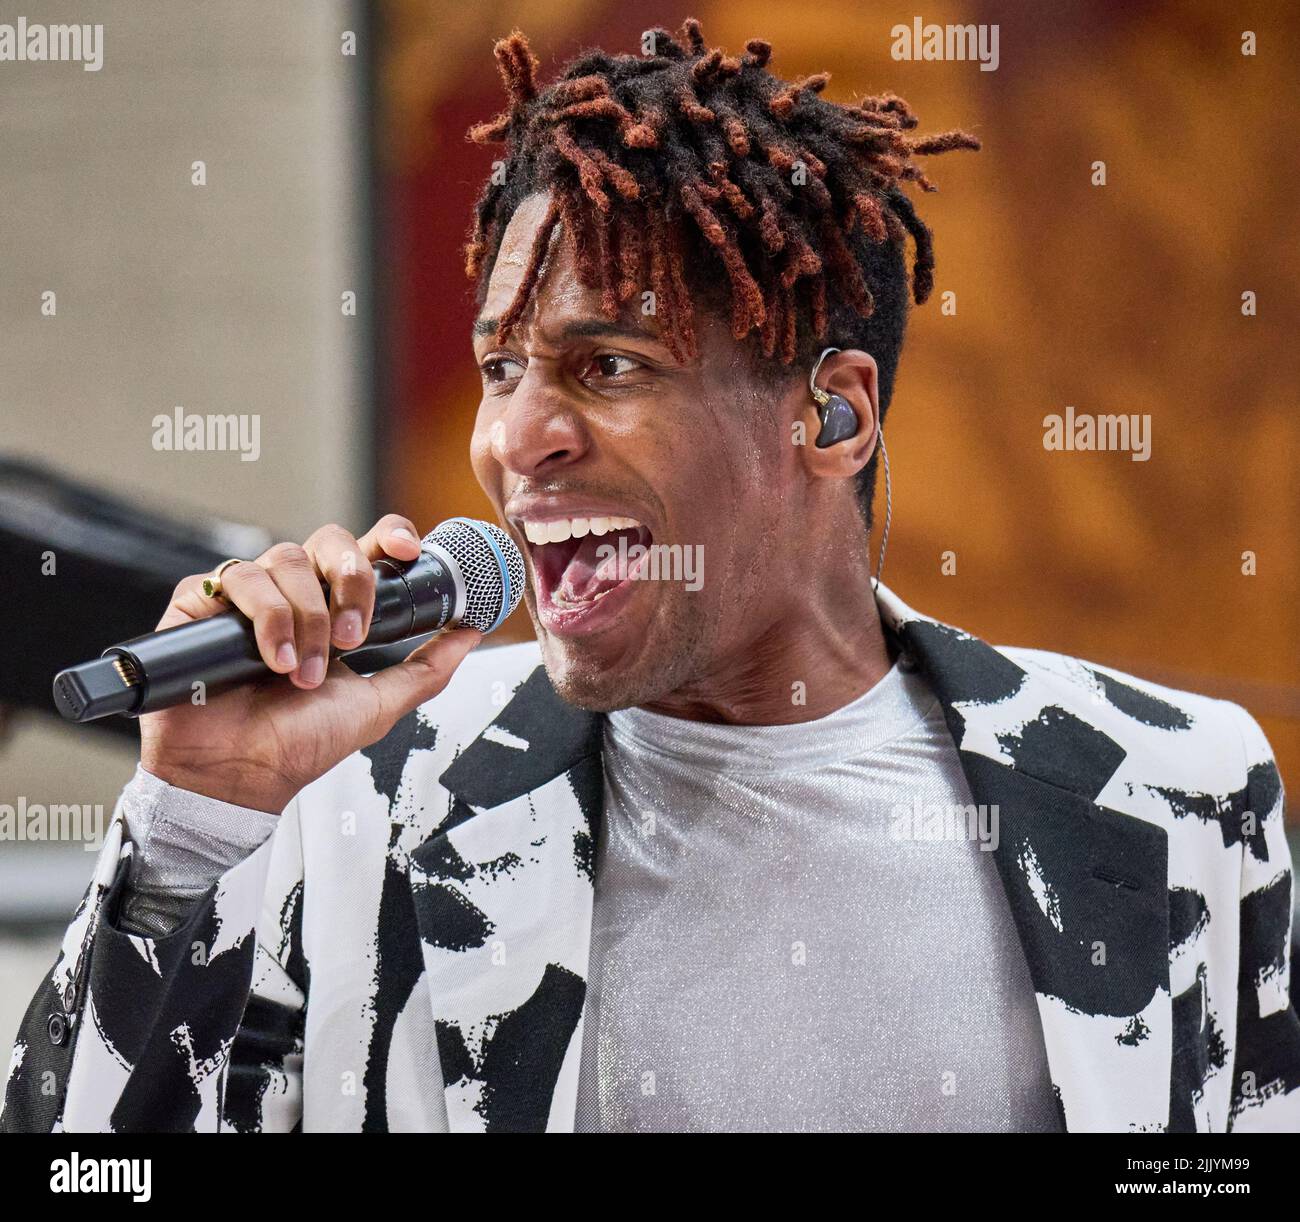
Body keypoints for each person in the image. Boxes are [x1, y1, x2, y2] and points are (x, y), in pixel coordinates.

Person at [5, 19, 1297, 1133]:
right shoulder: (363, 799)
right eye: (501, 368)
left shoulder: (1170, 787)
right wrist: (191, 825)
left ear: (833, 419)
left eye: (609, 365)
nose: (516, 438)